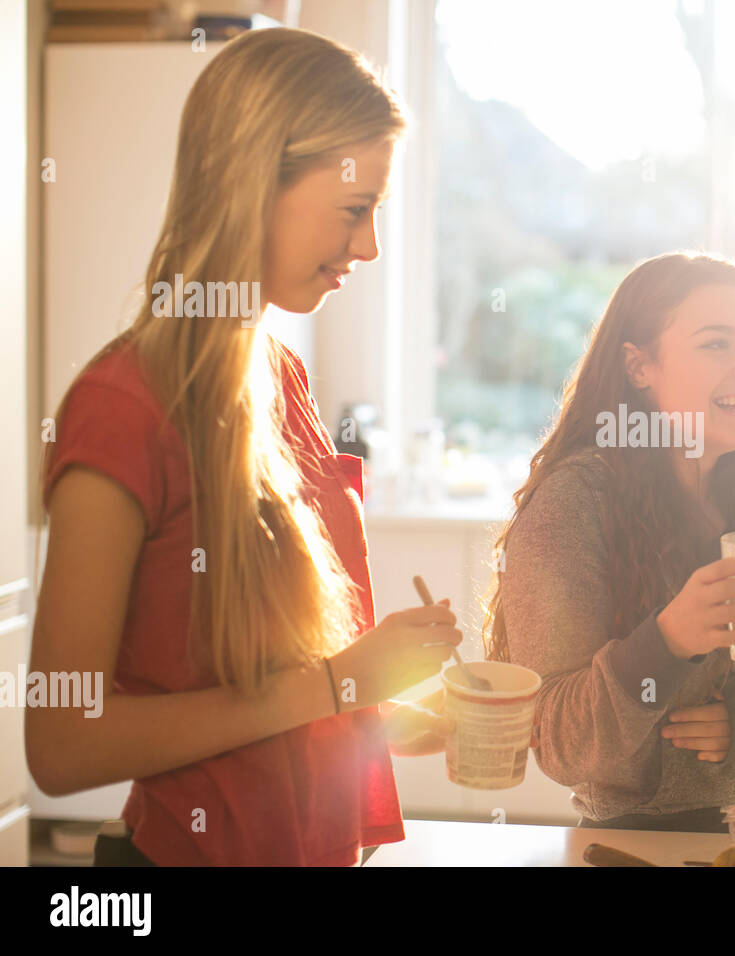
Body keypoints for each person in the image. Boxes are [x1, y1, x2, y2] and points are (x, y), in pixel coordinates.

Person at [27, 27, 461, 866]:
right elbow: (61, 743)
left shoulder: (280, 376)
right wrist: (340, 686)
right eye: (353, 209)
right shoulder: (122, 407)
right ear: (253, 182)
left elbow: (263, 678)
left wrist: (375, 708)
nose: (367, 246)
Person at [482, 251, 735, 834]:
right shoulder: (572, 506)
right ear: (638, 367)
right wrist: (666, 640)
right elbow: (558, 742)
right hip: (640, 843)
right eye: (716, 344)